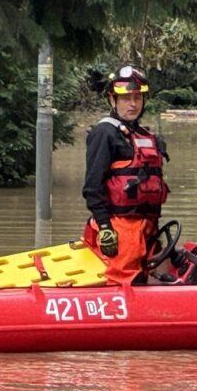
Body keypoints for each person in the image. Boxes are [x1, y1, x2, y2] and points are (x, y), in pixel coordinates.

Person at [82, 65, 170, 286]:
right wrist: (104, 228)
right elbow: (92, 187)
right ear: (113, 99)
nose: (132, 104)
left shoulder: (145, 135)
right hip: (119, 228)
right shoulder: (105, 133)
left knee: (145, 281)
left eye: (137, 98)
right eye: (126, 98)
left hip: (147, 228)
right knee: (123, 283)